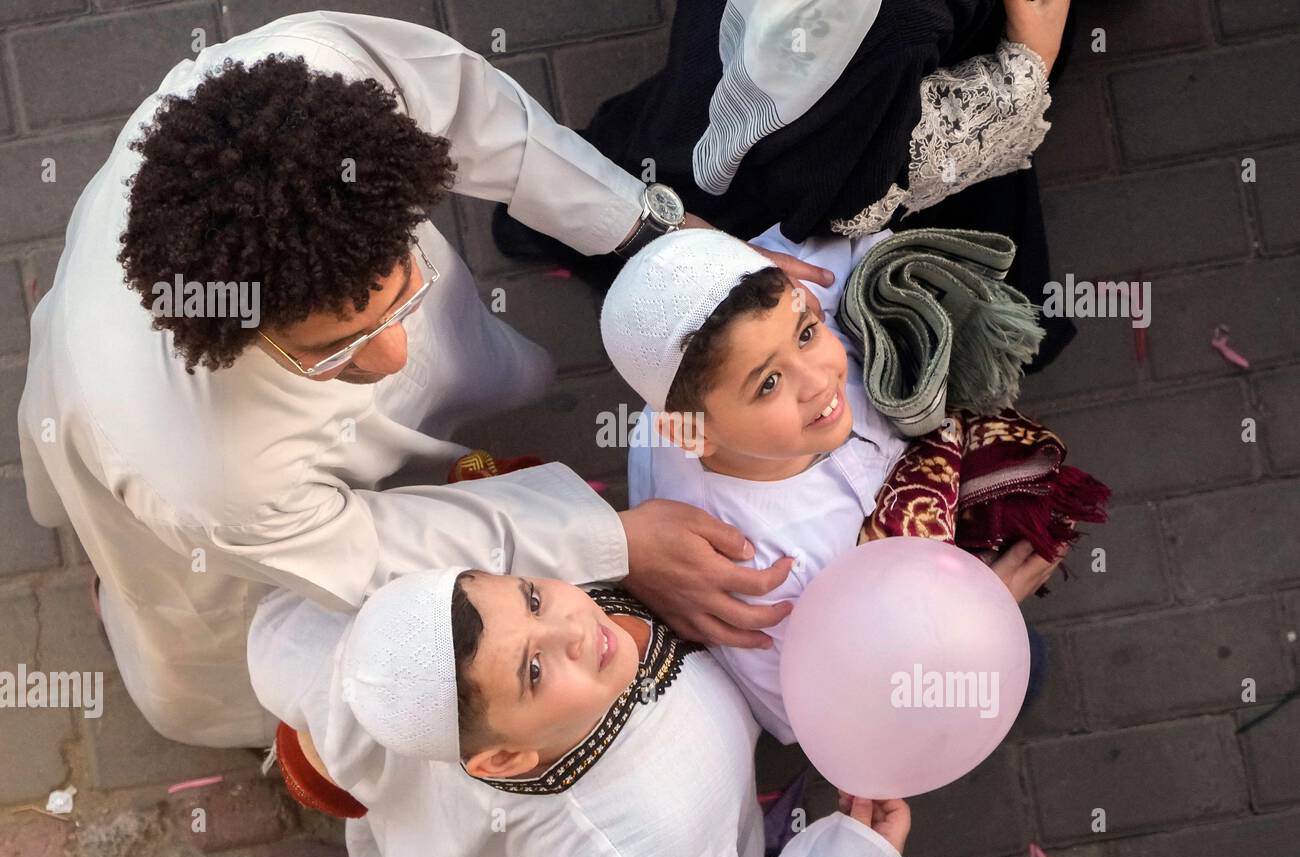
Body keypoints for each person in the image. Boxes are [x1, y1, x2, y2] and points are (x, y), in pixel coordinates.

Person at [16, 11, 824, 748]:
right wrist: (613, 542)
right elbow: (370, 546)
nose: (391, 358)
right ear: (233, 328)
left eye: (399, 283)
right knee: (195, 600)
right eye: (336, 348)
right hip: (157, 444)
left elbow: (488, 123)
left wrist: (657, 229)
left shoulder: (318, 75)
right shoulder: (208, 473)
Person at [601, 227, 1075, 743]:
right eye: (769, 384)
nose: (819, 379)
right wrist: (978, 621)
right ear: (694, 436)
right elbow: (818, 715)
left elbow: (852, 249)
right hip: (896, 658)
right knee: (1029, 667)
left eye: (806, 334)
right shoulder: (754, 571)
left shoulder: (768, 338)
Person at [248, 566, 912, 857]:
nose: (570, 626)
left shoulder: (397, 649)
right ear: (504, 760)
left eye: (533, 597)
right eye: (534, 671)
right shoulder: (628, 845)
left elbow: (283, 639)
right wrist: (846, 854)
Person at [537, 0, 1078, 366]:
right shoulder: (897, 27)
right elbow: (856, 188)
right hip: (812, 148)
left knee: (703, 102)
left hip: (765, 73)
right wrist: (1029, 66)